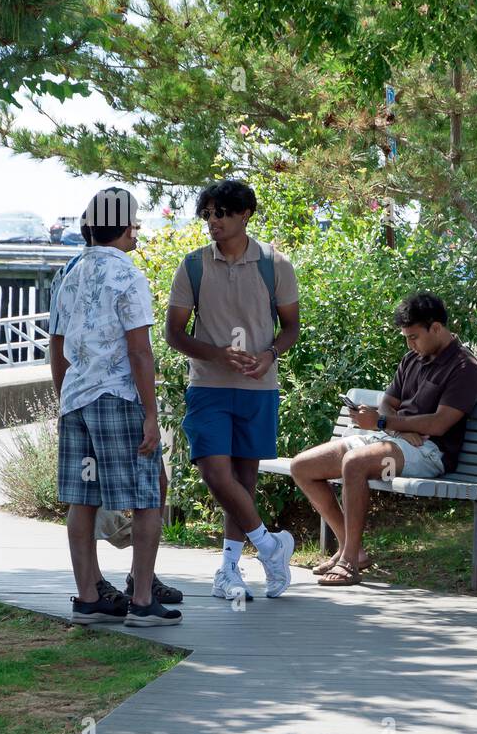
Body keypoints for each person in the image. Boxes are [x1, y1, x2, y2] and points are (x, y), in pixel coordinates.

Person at [289, 292, 477, 586]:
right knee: (302, 466)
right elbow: (386, 403)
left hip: (430, 450)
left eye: (414, 337)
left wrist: (384, 422)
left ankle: (350, 561)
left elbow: (440, 424)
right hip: (394, 439)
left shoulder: (464, 367)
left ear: (436, 328)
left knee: (354, 463)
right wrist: (394, 427)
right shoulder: (412, 359)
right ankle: (351, 548)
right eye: (406, 337)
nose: (409, 344)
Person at [165, 179, 300, 601]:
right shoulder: (193, 266)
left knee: (243, 482)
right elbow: (173, 334)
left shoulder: (275, 264)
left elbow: (291, 327)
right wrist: (217, 355)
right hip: (208, 386)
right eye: (207, 214)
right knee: (215, 473)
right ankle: (269, 545)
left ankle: (229, 570)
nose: (213, 222)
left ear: (245, 214)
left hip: (259, 388)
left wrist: (270, 355)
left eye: (221, 213)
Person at [49, 188, 179, 627]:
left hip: (76, 400)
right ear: (125, 228)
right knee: (145, 496)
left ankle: (88, 597)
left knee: (82, 499)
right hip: (118, 398)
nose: (138, 232)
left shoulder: (69, 272)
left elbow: (57, 345)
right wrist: (151, 413)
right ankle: (142, 600)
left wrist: (63, 399)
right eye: (136, 225)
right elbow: (140, 352)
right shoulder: (128, 276)